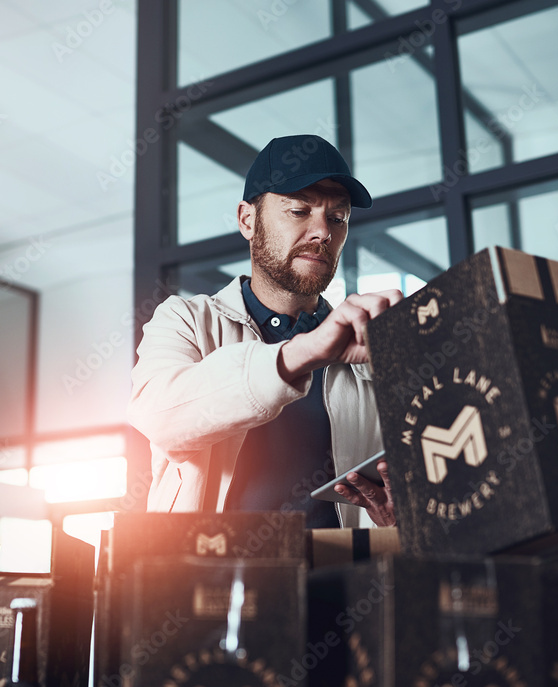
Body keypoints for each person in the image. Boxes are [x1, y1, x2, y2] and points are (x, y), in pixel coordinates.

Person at [128, 134, 401, 527]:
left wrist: (395, 520)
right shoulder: (186, 319)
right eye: (299, 210)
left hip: (341, 580)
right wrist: (303, 352)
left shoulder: (369, 347)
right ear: (247, 220)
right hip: (208, 578)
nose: (322, 232)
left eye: (337, 218)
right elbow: (158, 417)